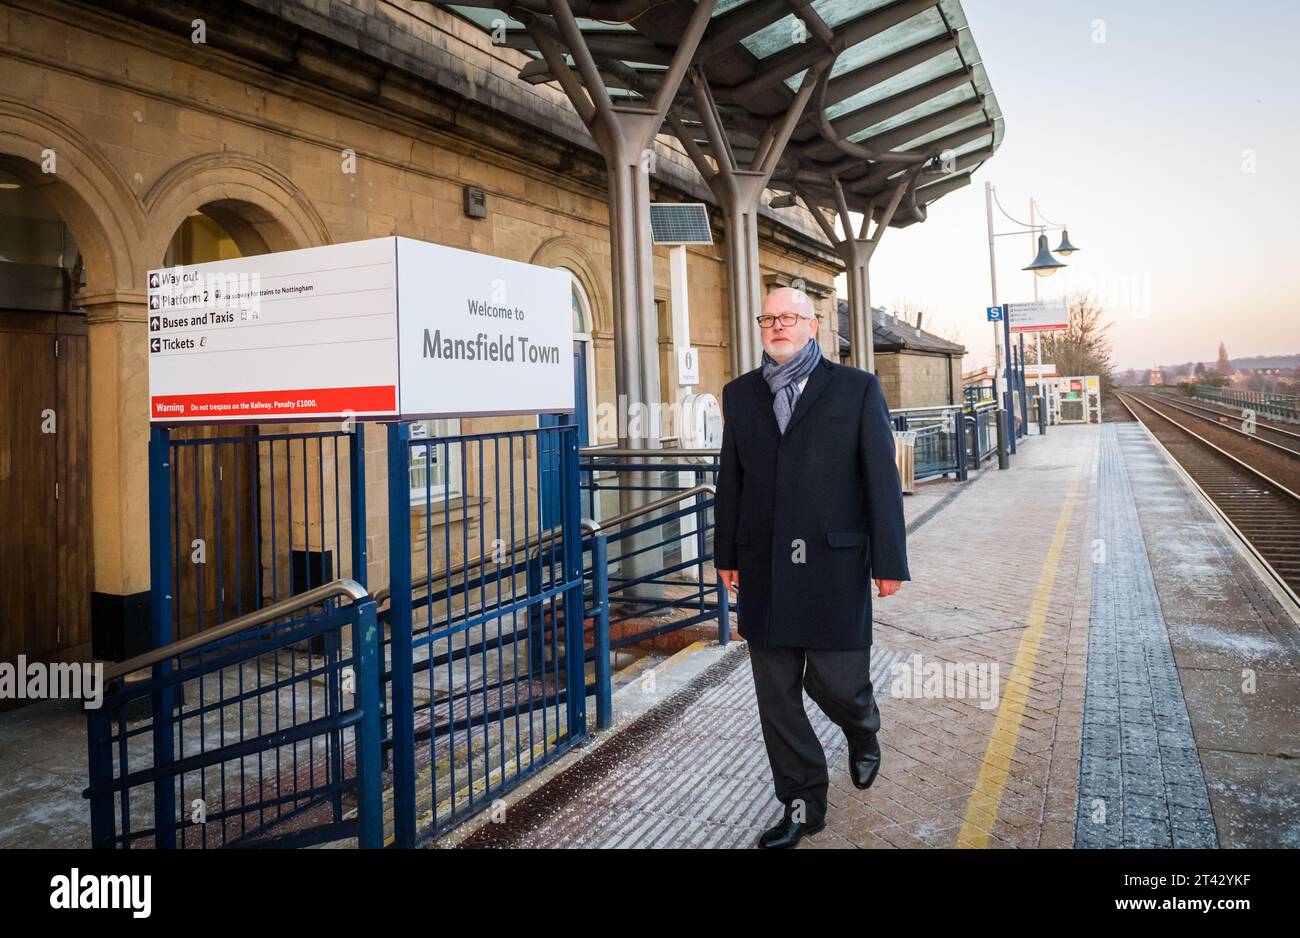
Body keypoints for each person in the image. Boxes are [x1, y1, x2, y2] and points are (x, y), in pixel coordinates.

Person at [713, 286, 909, 849]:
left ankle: (861, 724)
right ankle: (802, 806)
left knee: (836, 682)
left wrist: (889, 560)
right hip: (765, 568)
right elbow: (733, 481)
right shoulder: (740, 395)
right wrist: (725, 554)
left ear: (813, 326)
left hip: (832, 565)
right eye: (768, 318)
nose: (778, 326)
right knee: (777, 700)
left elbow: (881, 480)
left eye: (789, 318)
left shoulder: (856, 389)